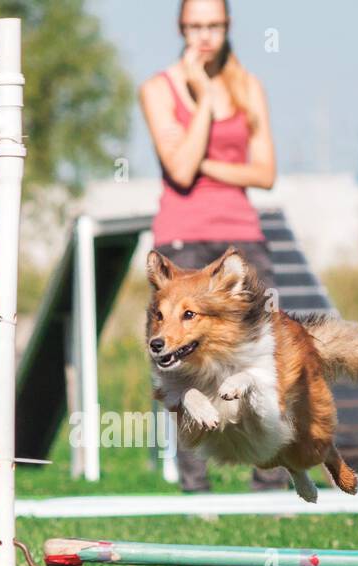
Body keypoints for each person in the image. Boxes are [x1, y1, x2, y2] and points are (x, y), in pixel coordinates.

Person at [139, 0, 288, 492]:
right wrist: (203, 96)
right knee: (181, 364)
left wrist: (204, 162)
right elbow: (178, 172)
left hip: (241, 237)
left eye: (214, 25)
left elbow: (264, 173)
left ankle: (266, 480)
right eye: (195, 25)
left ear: (228, 27)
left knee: (262, 354)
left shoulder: (250, 87)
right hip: (182, 235)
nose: (204, 35)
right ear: (181, 28)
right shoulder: (158, 90)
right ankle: (195, 489)